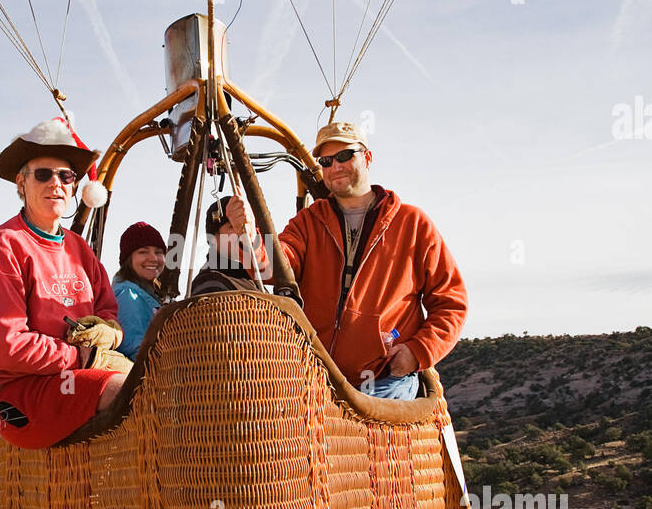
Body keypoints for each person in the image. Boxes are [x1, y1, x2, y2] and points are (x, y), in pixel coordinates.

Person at [226, 121, 468, 398]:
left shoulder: (412, 223)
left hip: (382, 379)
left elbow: (451, 301)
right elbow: (274, 267)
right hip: (317, 376)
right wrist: (248, 233)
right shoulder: (309, 221)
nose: (335, 167)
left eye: (344, 156)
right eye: (326, 162)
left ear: (367, 157)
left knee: (369, 440)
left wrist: (418, 351)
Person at [0, 118, 131, 449]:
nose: (56, 183)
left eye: (65, 176)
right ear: (21, 183)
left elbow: (107, 307)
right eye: (43, 174)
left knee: (160, 386)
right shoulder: (0, 246)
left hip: (74, 376)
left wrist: (110, 331)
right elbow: (5, 347)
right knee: (132, 393)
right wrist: (82, 358)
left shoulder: (78, 248)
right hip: (18, 393)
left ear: (73, 187)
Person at [189, 196, 263, 296]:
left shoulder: (251, 279)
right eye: (232, 226)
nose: (242, 232)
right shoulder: (210, 283)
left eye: (246, 227)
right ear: (213, 238)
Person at [112, 222, 167, 358]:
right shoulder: (127, 294)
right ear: (128, 259)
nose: (153, 258)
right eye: (143, 252)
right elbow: (135, 350)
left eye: (158, 252)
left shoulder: (149, 294)